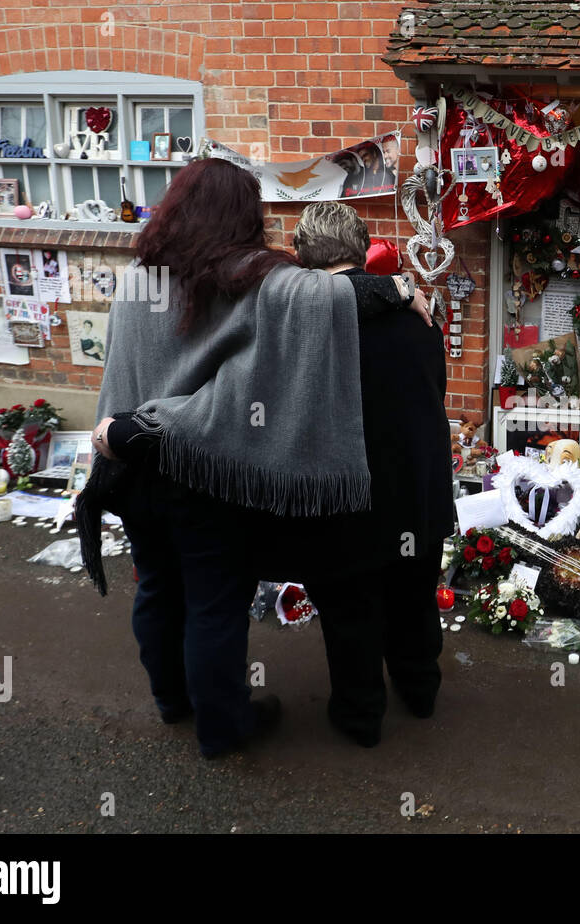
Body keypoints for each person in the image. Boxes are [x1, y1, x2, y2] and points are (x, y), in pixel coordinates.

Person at [78, 158, 431, 759]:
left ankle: (172, 702)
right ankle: (222, 729)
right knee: (214, 601)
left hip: (130, 465)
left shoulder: (138, 279)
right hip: (202, 470)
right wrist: (399, 286)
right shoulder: (248, 275)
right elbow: (328, 294)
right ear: (243, 214)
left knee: (159, 587)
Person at [288, 201, 454, 747]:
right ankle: (421, 691)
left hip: (347, 496)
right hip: (415, 488)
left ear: (305, 258)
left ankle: (361, 718)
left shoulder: (305, 324)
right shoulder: (419, 318)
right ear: (362, 252)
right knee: (413, 598)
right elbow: (436, 391)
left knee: (351, 612)